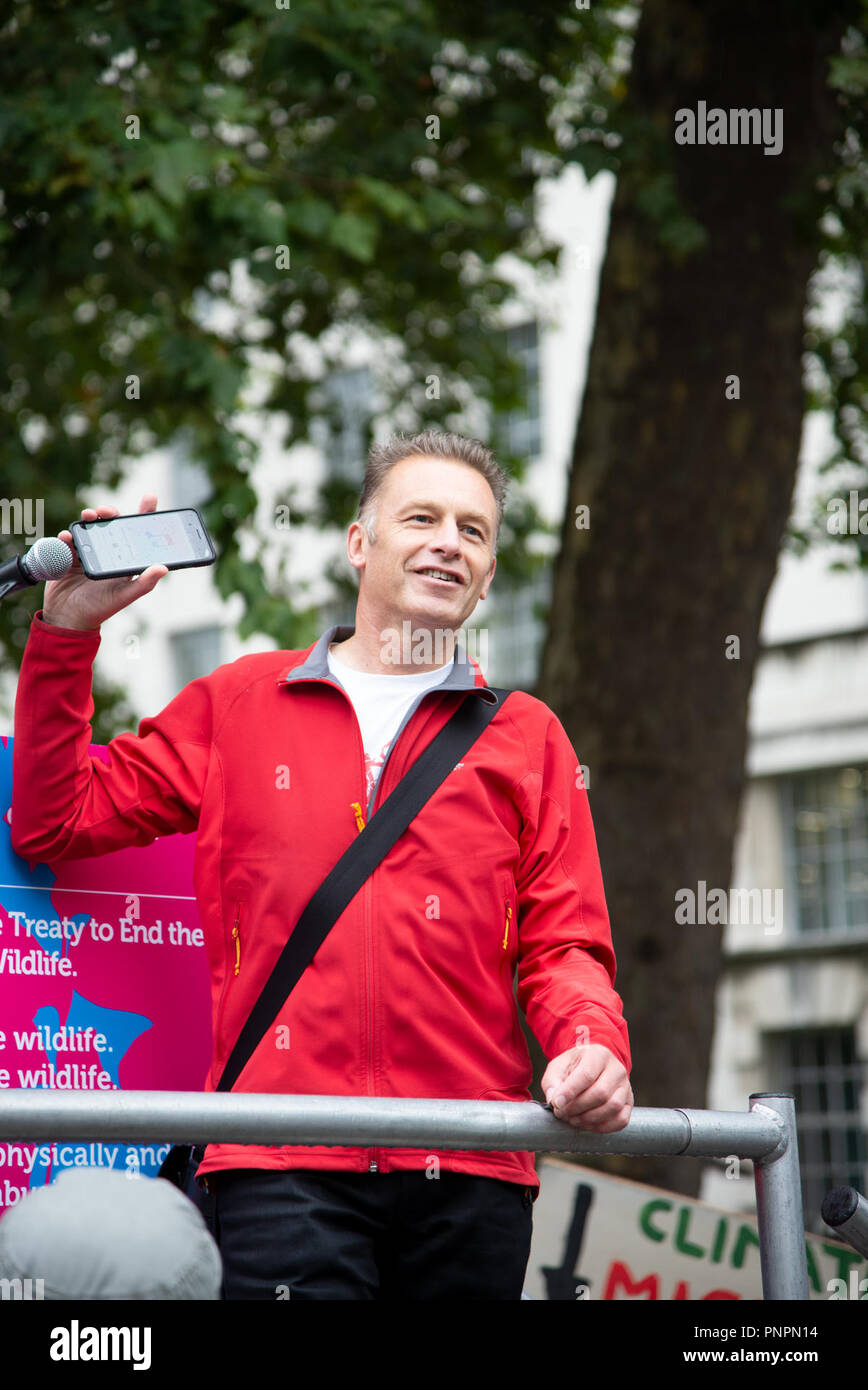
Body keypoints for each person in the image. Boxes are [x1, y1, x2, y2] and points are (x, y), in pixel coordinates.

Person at [11, 428, 633, 1300]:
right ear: (359, 544)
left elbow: (566, 945)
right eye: (421, 517)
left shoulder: (527, 735)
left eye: (474, 531)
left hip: (471, 1171)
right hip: (277, 1163)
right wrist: (68, 632)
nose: (448, 542)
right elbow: (55, 819)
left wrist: (591, 1044)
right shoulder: (237, 703)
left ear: (487, 576)